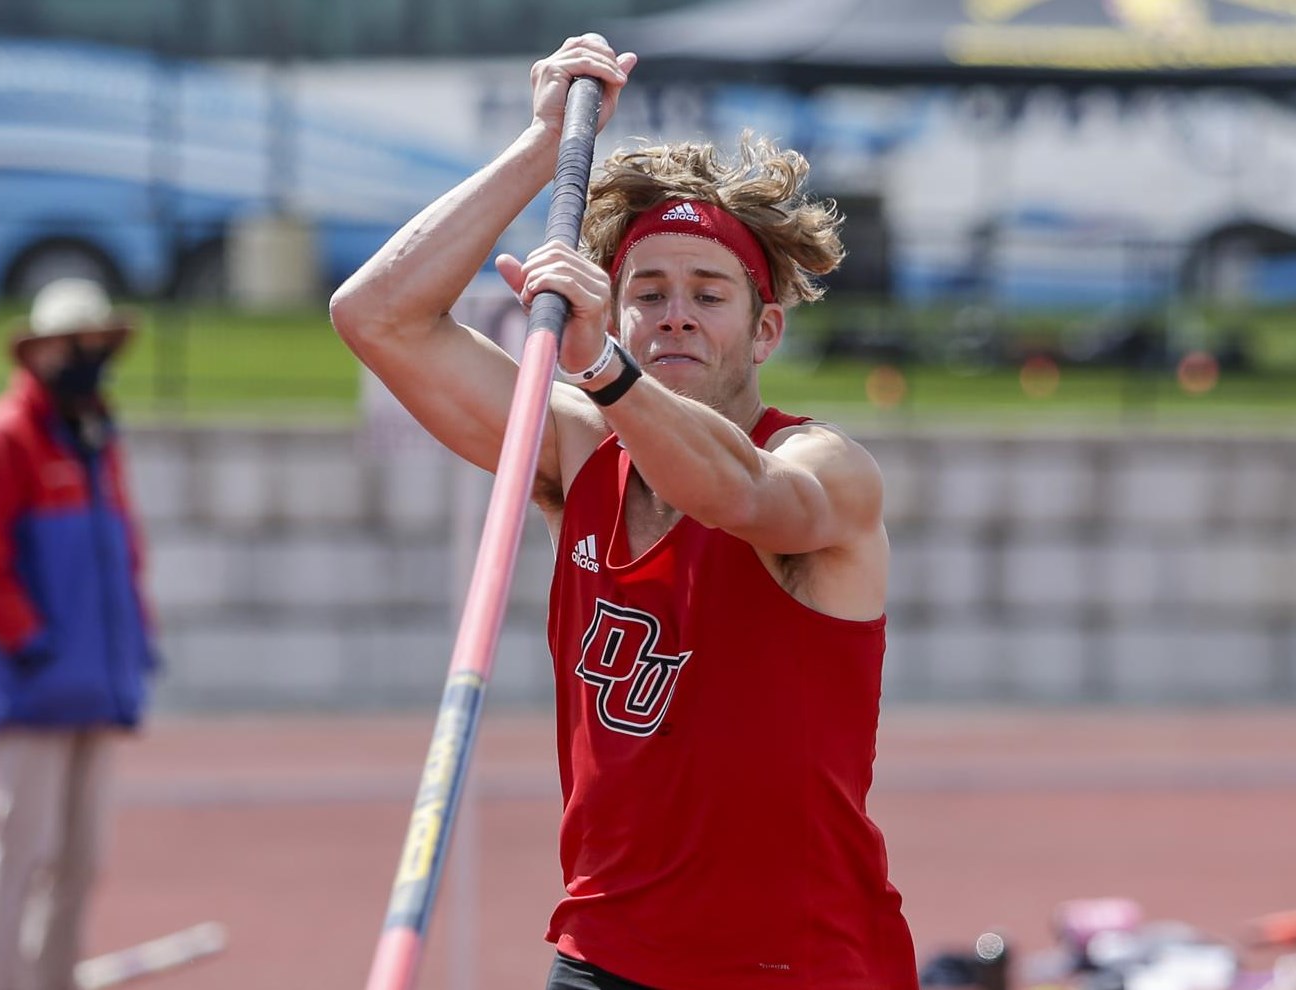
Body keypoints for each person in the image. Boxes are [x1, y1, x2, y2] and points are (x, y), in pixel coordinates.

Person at [332, 35, 917, 990]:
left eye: (708, 294)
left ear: (765, 328)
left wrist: (607, 365)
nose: (676, 314)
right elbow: (378, 316)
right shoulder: (576, 452)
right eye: (647, 293)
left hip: (797, 962)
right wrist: (541, 144)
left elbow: (732, 495)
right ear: (616, 302)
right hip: (605, 956)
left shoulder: (824, 467)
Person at [0, 278, 156, 990]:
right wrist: (29, 642)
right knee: (20, 855)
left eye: (96, 344)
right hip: (35, 685)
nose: (87, 358)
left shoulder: (98, 431)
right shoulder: (5, 436)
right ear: (40, 351)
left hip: (97, 683)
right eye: (73, 344)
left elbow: (121, 549)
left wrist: (136, 641)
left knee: (81, 860)